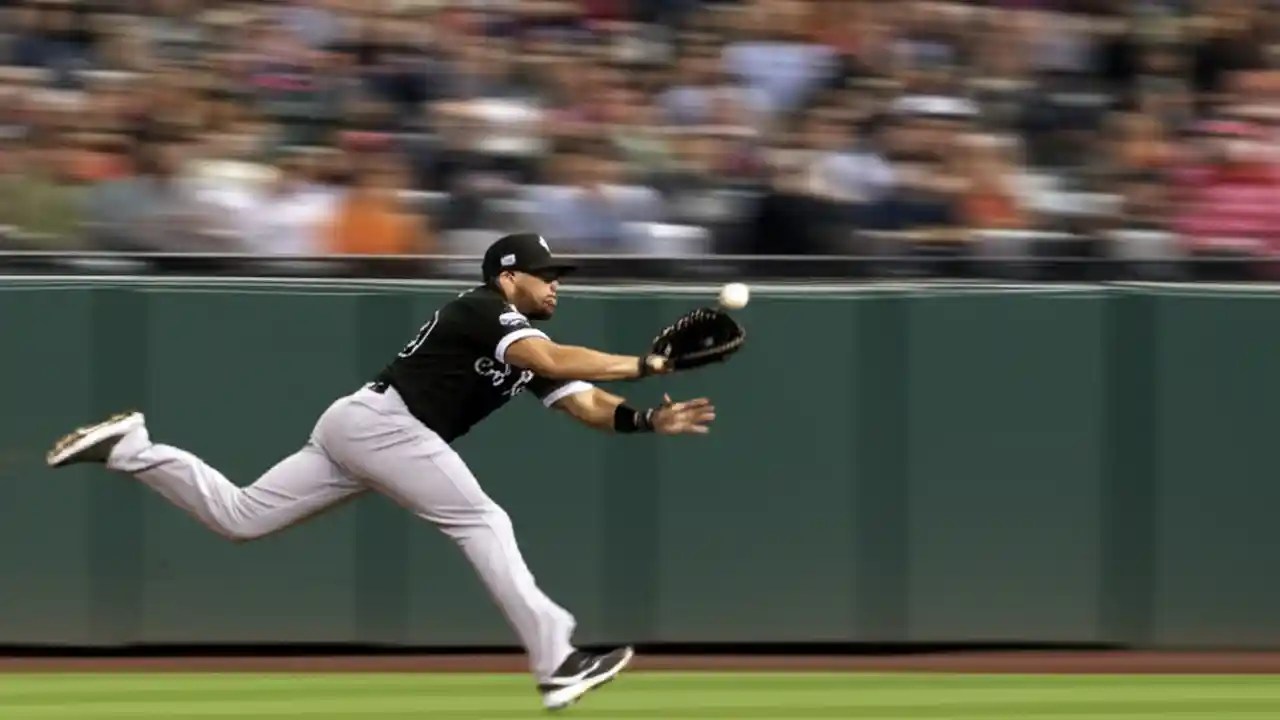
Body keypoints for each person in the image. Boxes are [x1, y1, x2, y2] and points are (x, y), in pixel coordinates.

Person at [45, 233, 717, 711]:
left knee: (240, 518)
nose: (556, 285)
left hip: (362, 427)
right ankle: (558, 662)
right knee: (482, 519)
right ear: (509, 277)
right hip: (386, 426)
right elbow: (556, 360)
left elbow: (584, 401)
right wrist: (645, 364)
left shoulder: (518, 340)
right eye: (547, 275)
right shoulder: (486, 308)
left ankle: (132, 448)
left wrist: (647, 420)